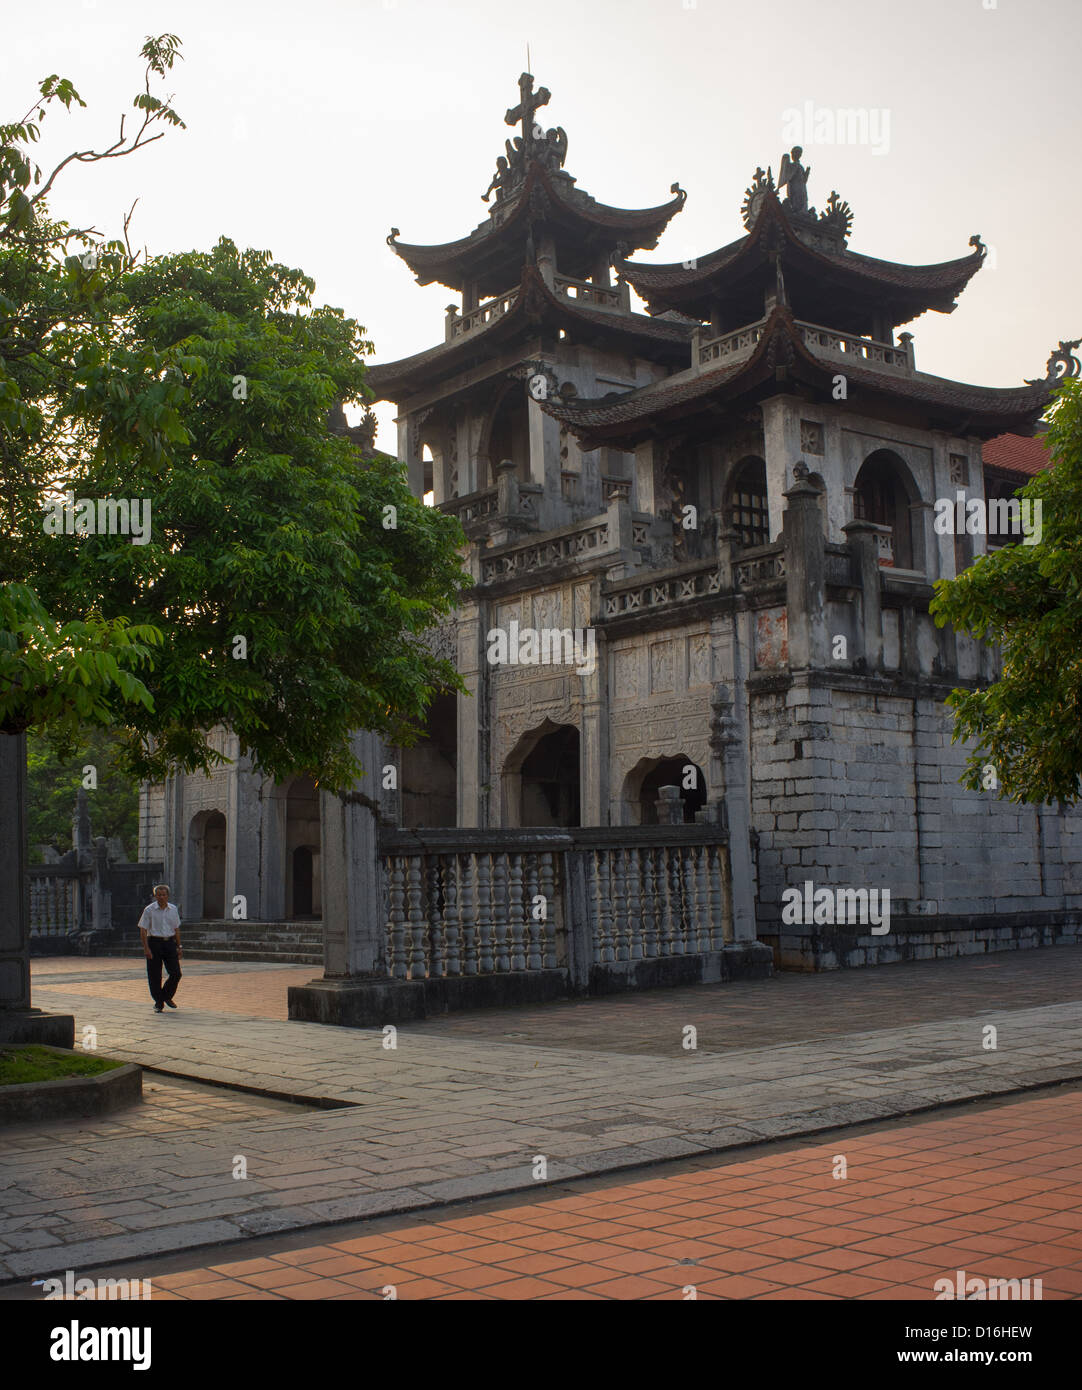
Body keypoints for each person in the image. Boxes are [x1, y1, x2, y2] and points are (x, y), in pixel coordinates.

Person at [139, 883, 183, 1012]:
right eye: (159, 895)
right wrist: (146, 948)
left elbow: (176, 928)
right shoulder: (149, 910)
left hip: (169, 942)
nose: (161, 897)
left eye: (164, 895)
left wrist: (179, 946)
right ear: (155, 896)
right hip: (154, 942)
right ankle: (159, 1002)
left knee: (176, 973)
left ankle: (166, 995)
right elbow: (143, 930)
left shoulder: (173, 909)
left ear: (168, 896)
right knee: (154, 974)